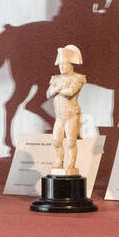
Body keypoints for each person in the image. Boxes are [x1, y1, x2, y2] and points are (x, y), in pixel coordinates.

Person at [47, 45, 86, 174]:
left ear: (71, 65)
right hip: (59, 117)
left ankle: (71, 164)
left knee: (70, 142)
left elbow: (70, 92)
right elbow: (48, 94)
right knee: (56, 141)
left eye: (64, 65)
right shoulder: (56, 79)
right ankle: (59, 161)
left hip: (71, 115)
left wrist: (57, 89)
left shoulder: (77, 78)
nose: (61, 68)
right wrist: (57, 88)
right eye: (60, 65)